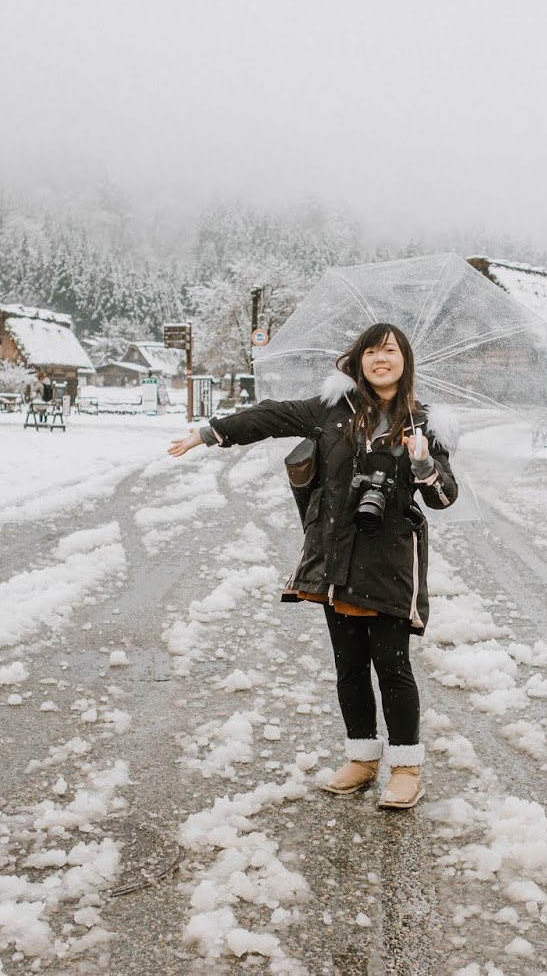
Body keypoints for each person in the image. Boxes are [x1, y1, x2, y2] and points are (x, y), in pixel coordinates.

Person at [168, 323, 458, 809]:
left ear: (405, 360)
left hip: (389, 564)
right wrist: (210, 433)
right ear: (358, 360)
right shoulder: (332, 411)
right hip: (336, 558)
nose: (379, 359)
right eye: (370, 351)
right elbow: (269, 417)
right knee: (349, 667)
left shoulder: (423, 424)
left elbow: (445, 497)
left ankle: (406, 767)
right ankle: (363, 758)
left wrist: (425, 463)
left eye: (389, 351)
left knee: (392, 666)